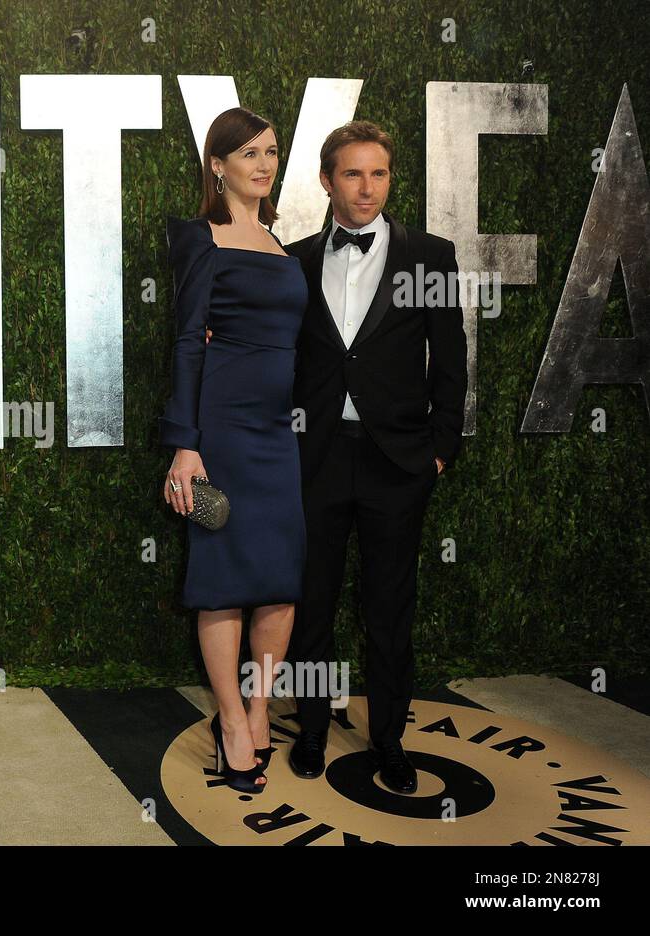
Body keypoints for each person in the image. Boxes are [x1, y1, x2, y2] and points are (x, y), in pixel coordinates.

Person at [280, 120, 468, 794]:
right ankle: (309, 732)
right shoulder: (292, 260)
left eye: (379, 174)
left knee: (390, 610)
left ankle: (389, 740)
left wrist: (439, 451)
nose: (367, 188)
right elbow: (282, 363)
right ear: (327, 180)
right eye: (353, 174)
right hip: (316, 460)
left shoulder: (432, 256)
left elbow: (451, 361)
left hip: (397, 463)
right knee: (311, 605)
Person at [159, 107, 309, 794]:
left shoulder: (282, 245)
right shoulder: (199, 237)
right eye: (247, 152)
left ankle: (258, 710)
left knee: (280, 575)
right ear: (216, 164)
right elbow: (189, 340)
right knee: (222, 575)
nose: (263, 163)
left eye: (271, 151)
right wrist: (185, 446)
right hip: (220, 424)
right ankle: (227, 721)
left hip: (279, 431)